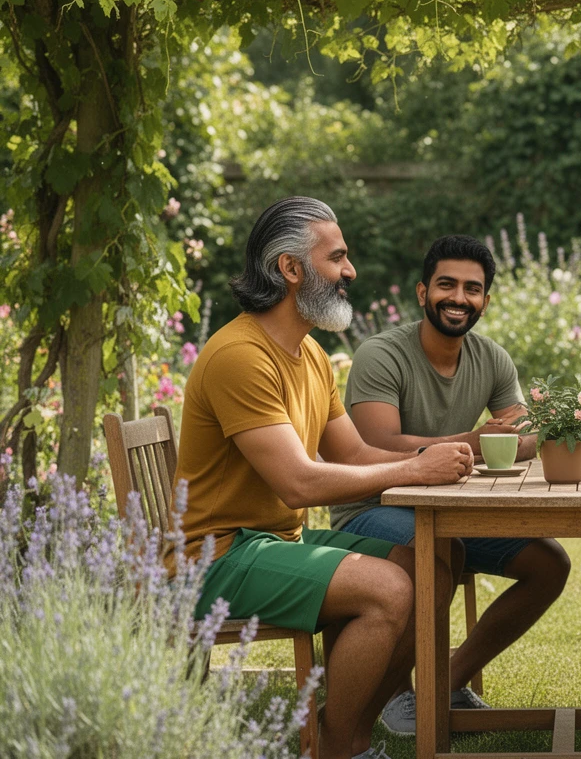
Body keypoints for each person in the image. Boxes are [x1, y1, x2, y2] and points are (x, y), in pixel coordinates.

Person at [168, 197, 474, 759]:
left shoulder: (308, 352)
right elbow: (299, 485)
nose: (350, 272)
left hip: (274, 542)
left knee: (432, 559)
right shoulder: (241, 356)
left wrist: (446, 452)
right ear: (290, 269)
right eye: (337, 258)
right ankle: (339, 746)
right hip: (214, 559)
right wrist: (413, 468)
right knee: (388, 589)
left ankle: (343, 729)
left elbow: (354, 453)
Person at [330, 235, 571, 736]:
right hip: (371, 506)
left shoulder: (491, 358)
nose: (458, 298)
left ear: (485, 300)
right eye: (446, 285)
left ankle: (443, 684)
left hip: (450, 511)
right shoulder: (381, 354)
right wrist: (474, 440)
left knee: (548, 564)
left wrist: (526, 432)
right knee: (440, 549)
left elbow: (520, 434)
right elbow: (377, 443)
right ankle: (394, 694)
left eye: (472, 289)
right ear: (422, 293)